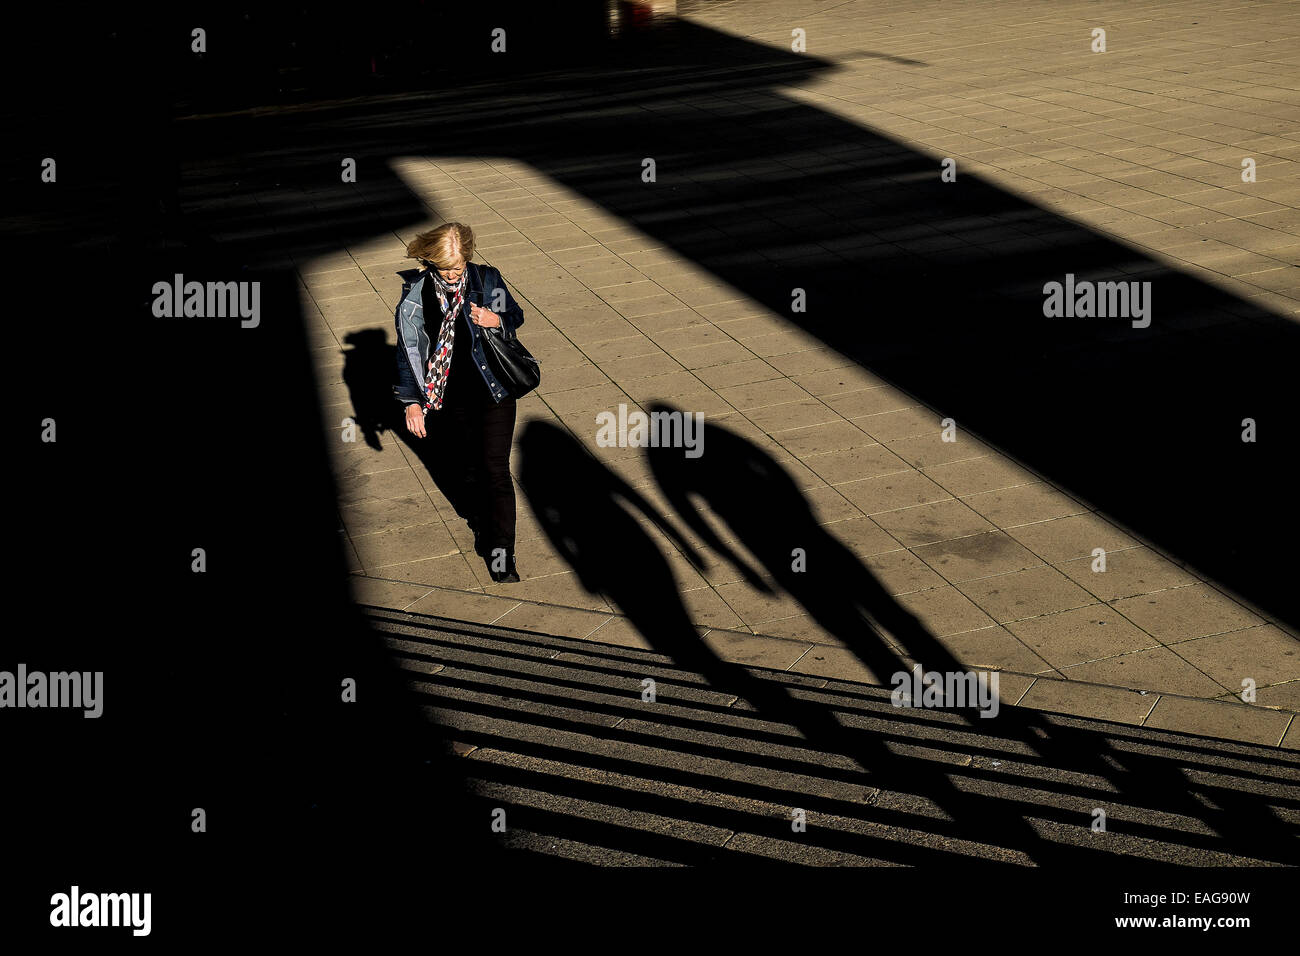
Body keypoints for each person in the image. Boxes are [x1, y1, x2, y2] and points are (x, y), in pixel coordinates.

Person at [394, 222, 525, 583]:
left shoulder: (486, 280)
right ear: (431, 261)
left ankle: (502, 554)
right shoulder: (416, 294)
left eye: (459, 267)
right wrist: (411, 402)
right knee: (468, 470)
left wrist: (496, 319)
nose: (453, 275)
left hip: (494, 390)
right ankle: (482, 523)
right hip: (448, 399)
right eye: (446, 268)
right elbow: (408, 352)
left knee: (495, 470)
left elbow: (516, 315)